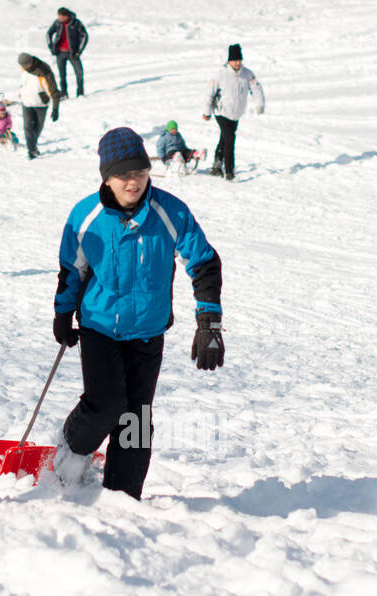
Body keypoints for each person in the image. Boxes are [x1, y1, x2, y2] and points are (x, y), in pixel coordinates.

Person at [51, 127, 223, 500]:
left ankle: (122, 497)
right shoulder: (86, 216)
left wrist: (209, 322)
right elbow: (72, 270)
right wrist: (63, 314)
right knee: (106, 406)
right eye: (124, 175)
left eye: (140, 173)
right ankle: (69, 450)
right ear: (106, 177)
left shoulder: (169, 211)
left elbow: (205, 263)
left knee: (136, 420)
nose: (133, 182)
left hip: (147, 332)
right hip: (99, 327)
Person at [202, 43, 264, 181]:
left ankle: (216, 166)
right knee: (230, 139)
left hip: (236, 114)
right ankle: (229, 171)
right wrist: (207, 112)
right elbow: (209, 94)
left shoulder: (247, 74)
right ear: (229, 60)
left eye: (239, 60)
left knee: (225, 139)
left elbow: (256, 88)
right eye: (235, 60)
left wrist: (259, 104)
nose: (237, 63)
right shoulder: (220, 75)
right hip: (221, 112)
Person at [16, 53, 61, 160]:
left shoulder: (44, 71)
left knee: (37, 128)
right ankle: (32, 150)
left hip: (40, 104)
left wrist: (55, 109)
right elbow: (24, 83)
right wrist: (21, 92)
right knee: (27, 127)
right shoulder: (24, 70)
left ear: (30, 63)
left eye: (24, 65)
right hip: (26, 102)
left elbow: (54, 91)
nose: (22, 67)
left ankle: (33, 145)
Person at [46, 7, 88, 98]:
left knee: (79, 73)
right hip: (60, 53)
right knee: (62, 75)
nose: (58, 18)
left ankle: (80, 93)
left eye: (60, 16)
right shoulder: (57, 23)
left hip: (73, 53)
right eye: (58, 16)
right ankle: (64, 93)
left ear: (66, 16)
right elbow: (48, 33)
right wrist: (51, 47)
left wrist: (79, 51)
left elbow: (84, 36)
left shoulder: (76, 23)